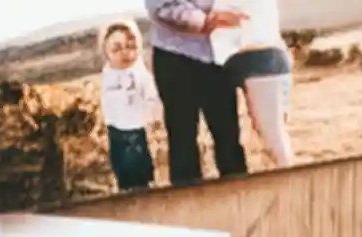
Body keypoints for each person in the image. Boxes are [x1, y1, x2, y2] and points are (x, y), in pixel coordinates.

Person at [144, 0, 250, 186]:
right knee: (182, 139)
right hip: (176, 56)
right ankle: (188, 206)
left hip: (219, 55)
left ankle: (240, 200)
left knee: (229, 135)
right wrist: (207, 21)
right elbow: (161, 6)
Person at [210, 0, 296, 167]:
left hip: (259, 57)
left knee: (273, 139)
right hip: (260, 57)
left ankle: (292, 185)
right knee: (270, 136)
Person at [97, 20, 160, 192]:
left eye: (129, 47)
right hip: (116, 131)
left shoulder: (141, 74)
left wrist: (149, 116)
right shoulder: (108, 76)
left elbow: (152, 98)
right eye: (116, 49)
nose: (124, 54)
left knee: (139, 171)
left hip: (136, 131)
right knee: (122, 171)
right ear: (106, 52)